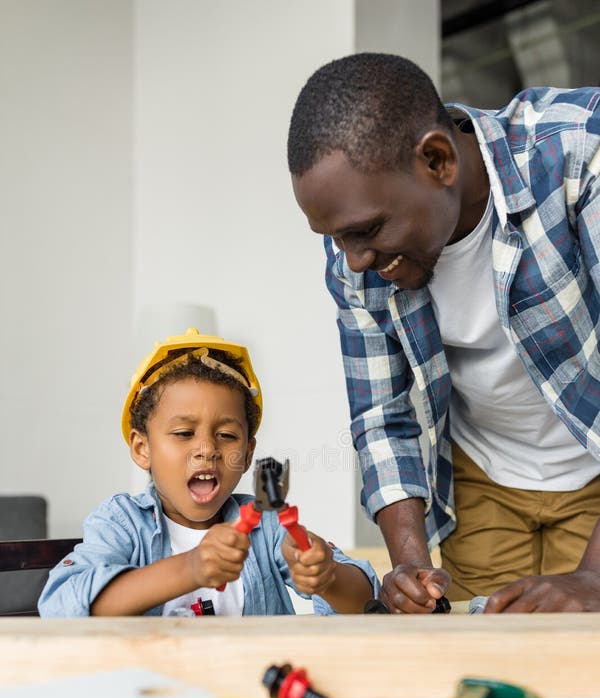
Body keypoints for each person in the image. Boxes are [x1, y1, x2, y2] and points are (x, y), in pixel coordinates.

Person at [287, 52, 600, 614]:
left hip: (593, 469)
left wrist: (596, 577)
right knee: (484, 668)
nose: (353, 261)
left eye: (367, 231)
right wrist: (409, 564)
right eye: (335, 238)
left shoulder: (580, 155)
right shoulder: (357, 255)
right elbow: (383, 417)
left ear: (437, 160)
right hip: (482, 481)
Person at [38, 328, 378, 617]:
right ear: (143, 449)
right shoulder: (121, 523)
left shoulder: (267, 527)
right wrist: (191, 568)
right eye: (184, 434)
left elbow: (366, 602)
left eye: (227, 435)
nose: (207, 449)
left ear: (247, 454)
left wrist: (328, 577)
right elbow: (62, 604)